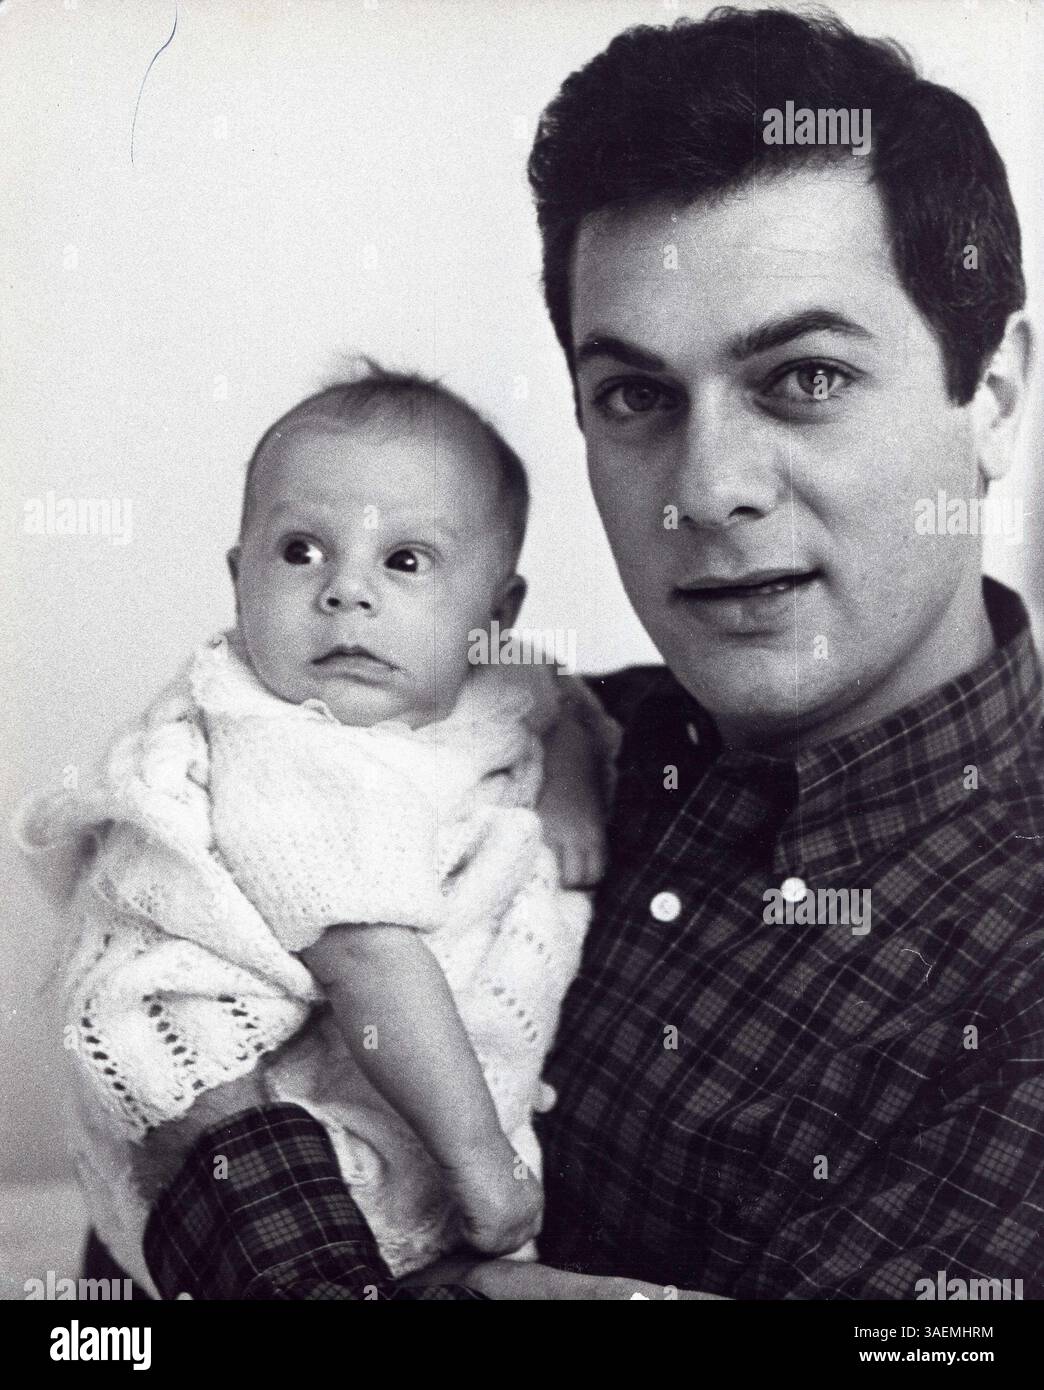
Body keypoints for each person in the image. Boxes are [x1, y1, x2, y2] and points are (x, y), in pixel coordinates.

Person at [82, 5, 1044, 1299]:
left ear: (990, 395)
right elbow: (128, 988)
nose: (705, 489)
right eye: (636, 397)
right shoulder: (508, 737)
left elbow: (175, 1105)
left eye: (804, 378)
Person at [16, 367, 616, 1295]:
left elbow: (553, 699)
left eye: (405, 562)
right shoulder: (282, 739)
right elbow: (371, 960)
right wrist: (482, 1166)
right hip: (292, 1156)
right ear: (237, 576)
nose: (345, 593)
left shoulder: (495, 680)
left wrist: (571, 786)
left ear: (495, 617)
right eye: (300, 550)